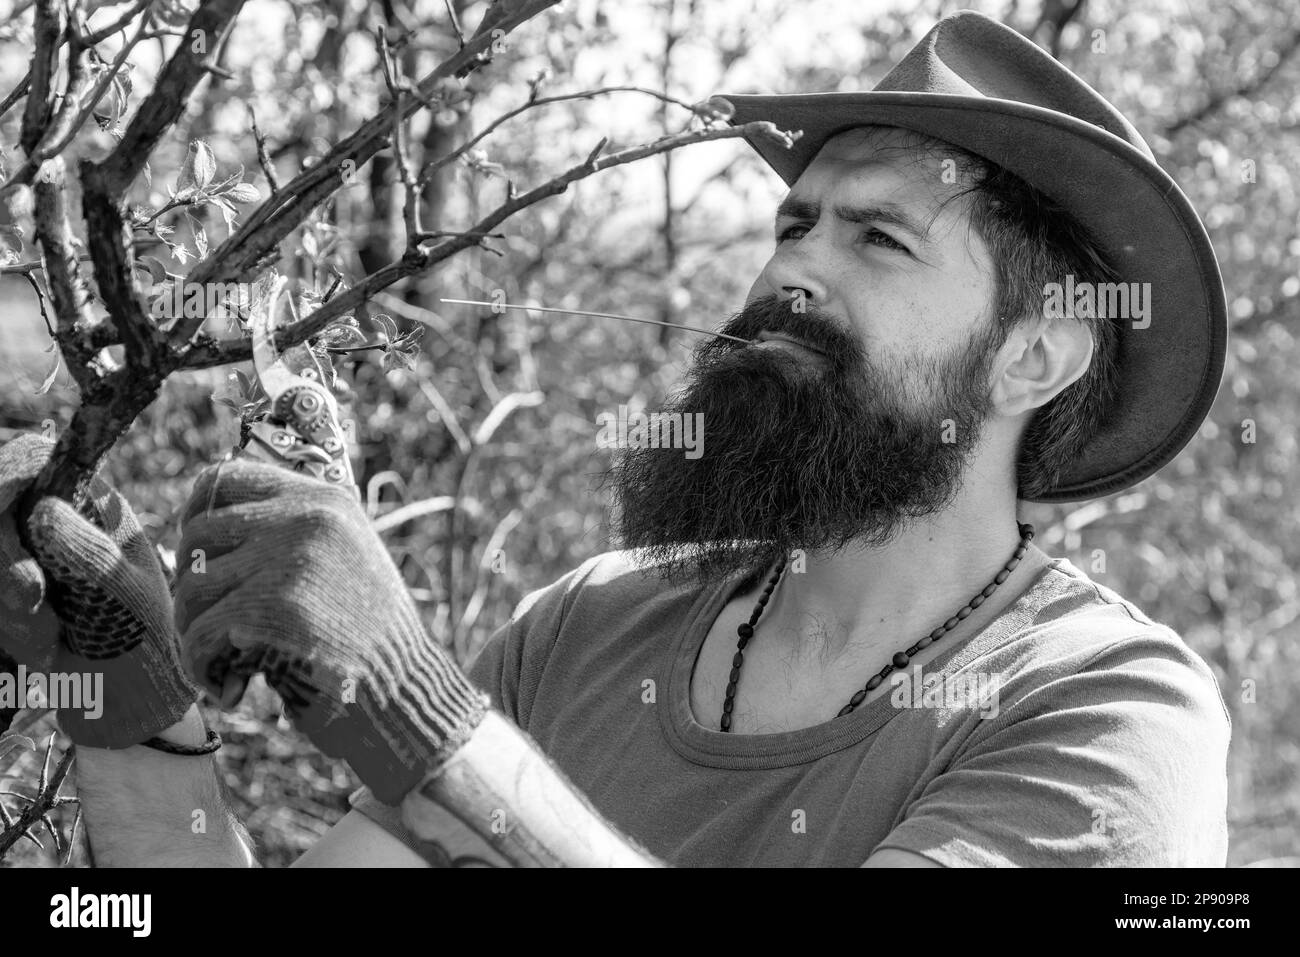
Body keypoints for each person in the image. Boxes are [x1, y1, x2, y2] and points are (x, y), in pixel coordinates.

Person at [0, 10, 1229, 867]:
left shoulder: (1107, 712)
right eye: (795, 223)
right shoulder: (590, 629)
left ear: (1035, 353)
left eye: (879, 239)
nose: (790, 269)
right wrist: (137, 715)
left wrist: (430, 728)